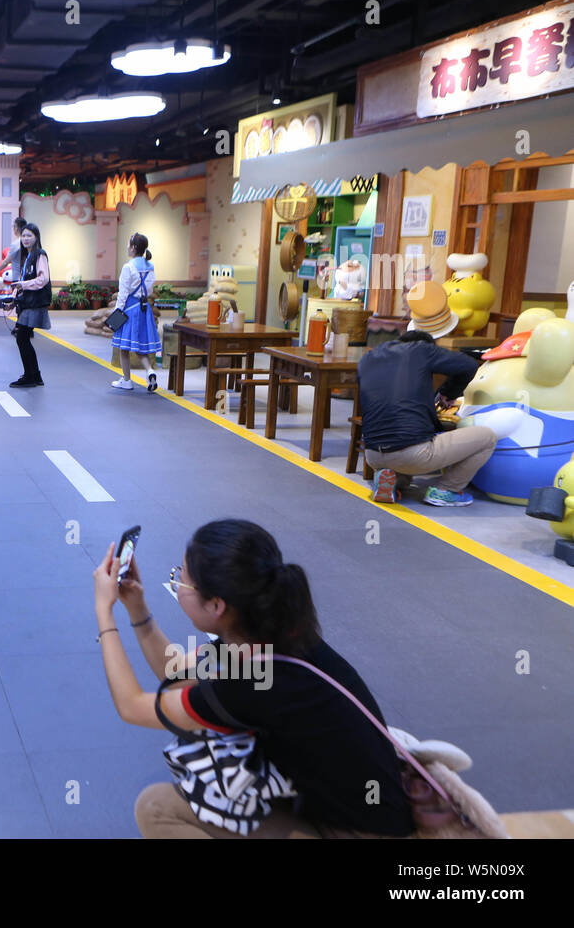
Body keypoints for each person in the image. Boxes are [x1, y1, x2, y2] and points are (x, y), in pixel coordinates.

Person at [91, 519, 416, 839]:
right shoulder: (274, 633)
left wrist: (104, 612)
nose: (176, 584)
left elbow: (132, 707)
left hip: (355, 833)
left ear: (217, 605)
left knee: (156, 808)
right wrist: (136, 607)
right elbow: (178, 674)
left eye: (182, 580)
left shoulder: (250, 683)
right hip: (366, 811)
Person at [358, 330, 495, 506]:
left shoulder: (367, 359)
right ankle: (445, 490)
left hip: (372, 454)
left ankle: (392, 480)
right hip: (412, 453)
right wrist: (449, 392)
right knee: (487, 437)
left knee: (403, 458)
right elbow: (468, 365)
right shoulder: (420, 349)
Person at [110, 233, 161, 393]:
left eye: (128, 245)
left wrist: (116, 312)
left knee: (124, 347)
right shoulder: (149, 266)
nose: (127, 247)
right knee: (141, 346)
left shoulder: (128, 267)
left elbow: (123, 293)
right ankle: (149, 371)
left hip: (129, 310)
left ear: (133, 248)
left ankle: (126, 380)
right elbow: (151, 290)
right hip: (144, 310)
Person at [7, 222, 52, 387]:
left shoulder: (40, 254)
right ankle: (34, 376)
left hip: (34, 304)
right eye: (23, 236)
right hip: (28, 303)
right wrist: (13, 298)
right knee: (23, 338)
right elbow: (24, 281)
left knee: (22, 338)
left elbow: (43, 279)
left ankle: (30, 376)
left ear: (36, 237)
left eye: (29, 236)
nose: (25, 239)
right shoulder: (28, 256)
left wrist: (23, 285)